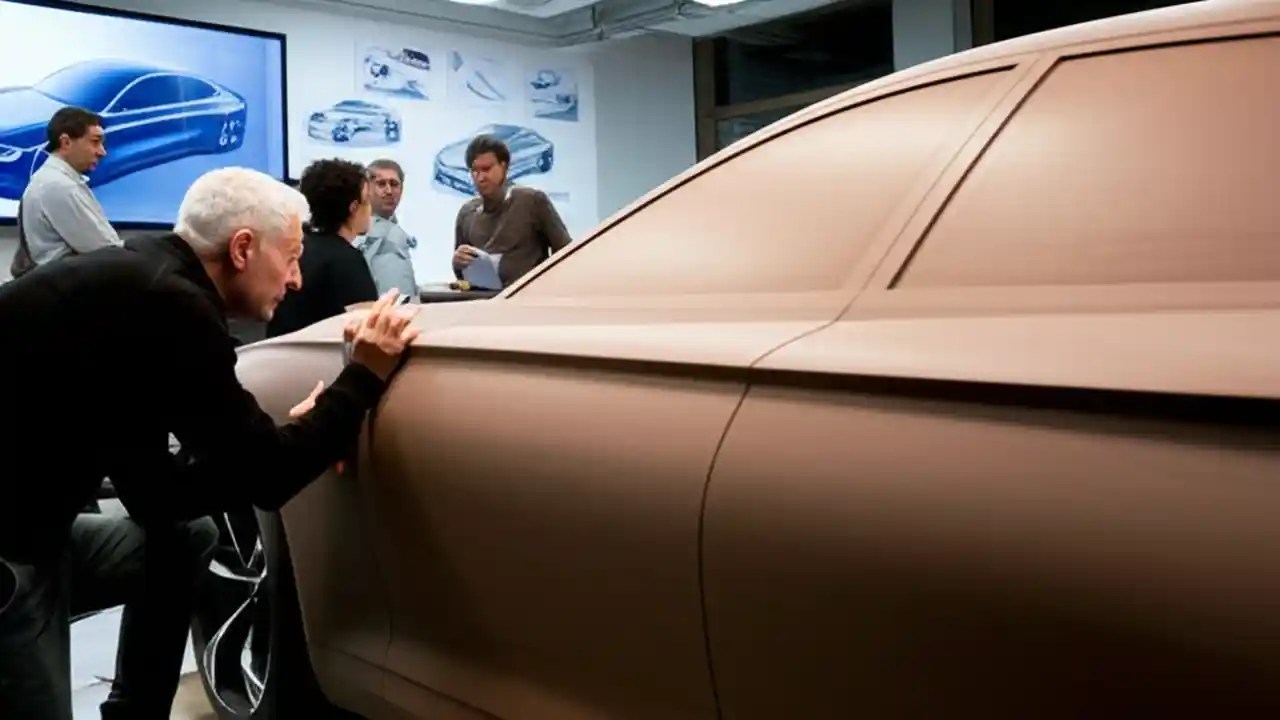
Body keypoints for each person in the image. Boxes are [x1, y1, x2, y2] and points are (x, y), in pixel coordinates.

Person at [0, 166, 419, 719]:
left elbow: (155, 496)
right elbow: (269, 478)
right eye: (291, 256)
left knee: (184, 536)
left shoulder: (136, 282)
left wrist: (295, 438)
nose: (296, 279)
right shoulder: (173, 305)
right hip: (13, 551)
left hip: (38, 528)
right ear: (243, 248)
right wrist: (363, 375)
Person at [267, 158, 380, 338]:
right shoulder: (347, 261)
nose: (370, 210)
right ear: (353, 208)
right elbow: (369, 333)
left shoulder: (293, 250)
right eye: (367, 201)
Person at [12, 107, 121, 278]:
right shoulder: (58, 186)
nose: (102, 152)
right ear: (66, 142)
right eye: (95, 142)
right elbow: (105, 251)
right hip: (72, 287)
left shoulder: (57, 180)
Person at [452, 134, 572, 289]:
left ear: (504, 167)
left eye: (486, 169)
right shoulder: (467, 214)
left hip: (529, 299)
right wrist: (458, 263)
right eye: (474, 171)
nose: (480, 178)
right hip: (483, 300)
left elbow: (566, 253)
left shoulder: (532, 202)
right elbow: (463, 275)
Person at [356, 158, 418, 300]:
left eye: (394, 184)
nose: (389, 191)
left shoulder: (394, 230)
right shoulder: (356, 230)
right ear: (367, 189)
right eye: (381, 184)